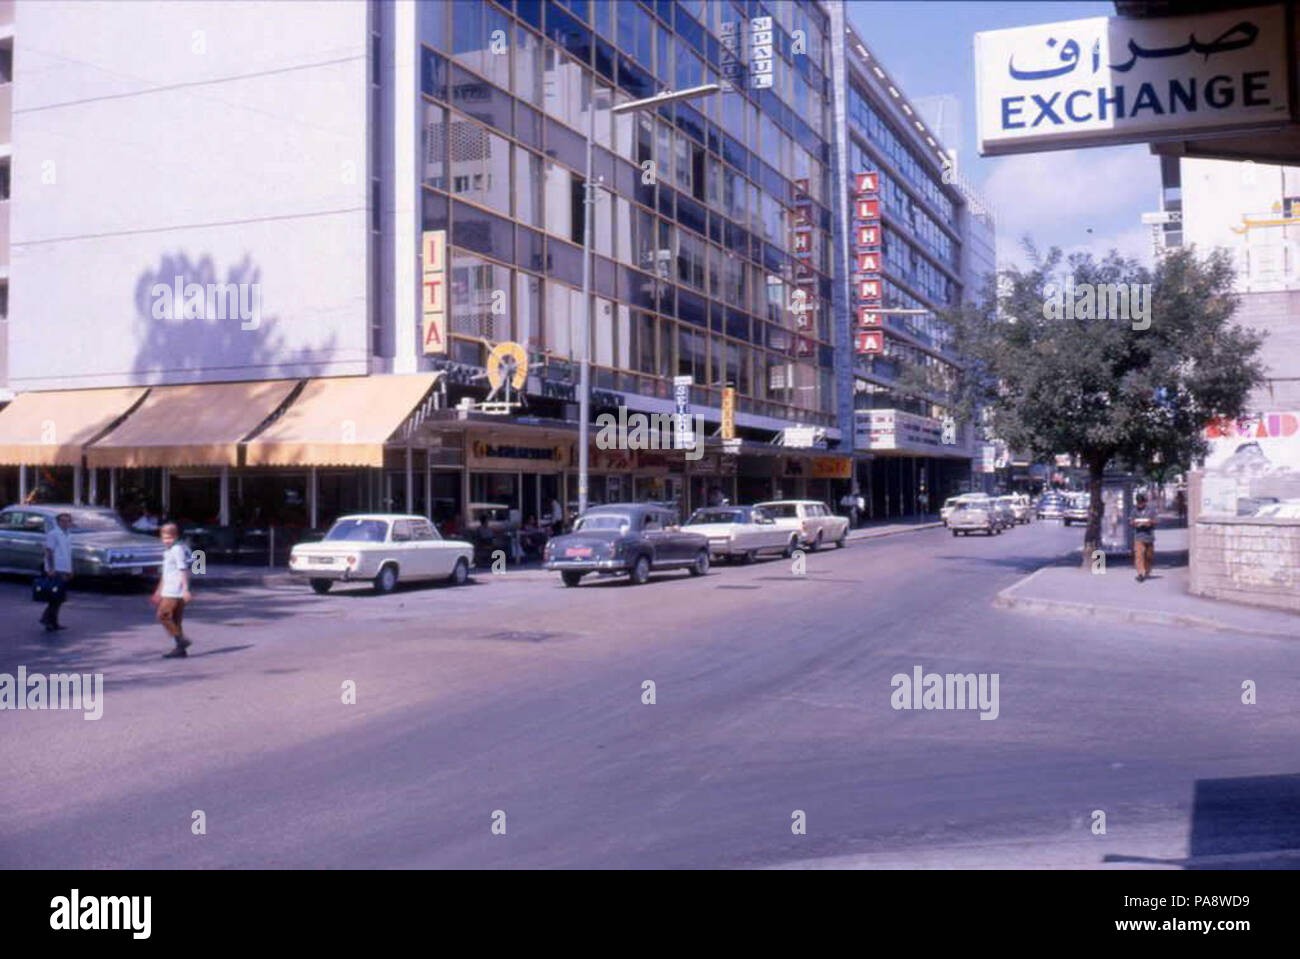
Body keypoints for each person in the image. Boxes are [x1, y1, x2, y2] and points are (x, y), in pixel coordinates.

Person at [154, 522, 193, 658]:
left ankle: (181, 640)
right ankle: (180, 649)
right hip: (168, 589)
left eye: (170, 537)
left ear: (176, 536)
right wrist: (158, 590)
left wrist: (185, 589)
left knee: (163, 615)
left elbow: (183, 569)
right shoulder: (168, 551)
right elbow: (166, 573)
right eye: (164, 538)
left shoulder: (177, 549)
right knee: (176, 620)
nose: (167, 540)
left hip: (175, 590)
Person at [41, 511, 74, 632]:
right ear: (58, 522)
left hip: (65, 568)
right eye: (63, 521)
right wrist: (50, 569)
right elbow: (49, 552)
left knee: (60, 597)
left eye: (67, 521)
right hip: (56, 569)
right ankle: (48, 621)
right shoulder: (53, 534)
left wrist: (70, 570)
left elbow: (68, 554)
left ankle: (51, 621)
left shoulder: (69, 535)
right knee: (55, 597)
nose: (65, 523)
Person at [1131, 491, 1159, 583]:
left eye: (1141, 503)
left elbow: (1156, 521)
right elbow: (1131, 522)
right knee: (1139, 555)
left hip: (1149, 536)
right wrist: (1135, 523)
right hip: (1139, 536)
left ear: (1144, 502)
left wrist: (1149, 522)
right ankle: (1140, 573)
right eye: (1138, 503)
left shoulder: (1151, 510)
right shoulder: (1134, 511)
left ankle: (1147, 570)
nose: (1139, 505)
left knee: (1148, 556)